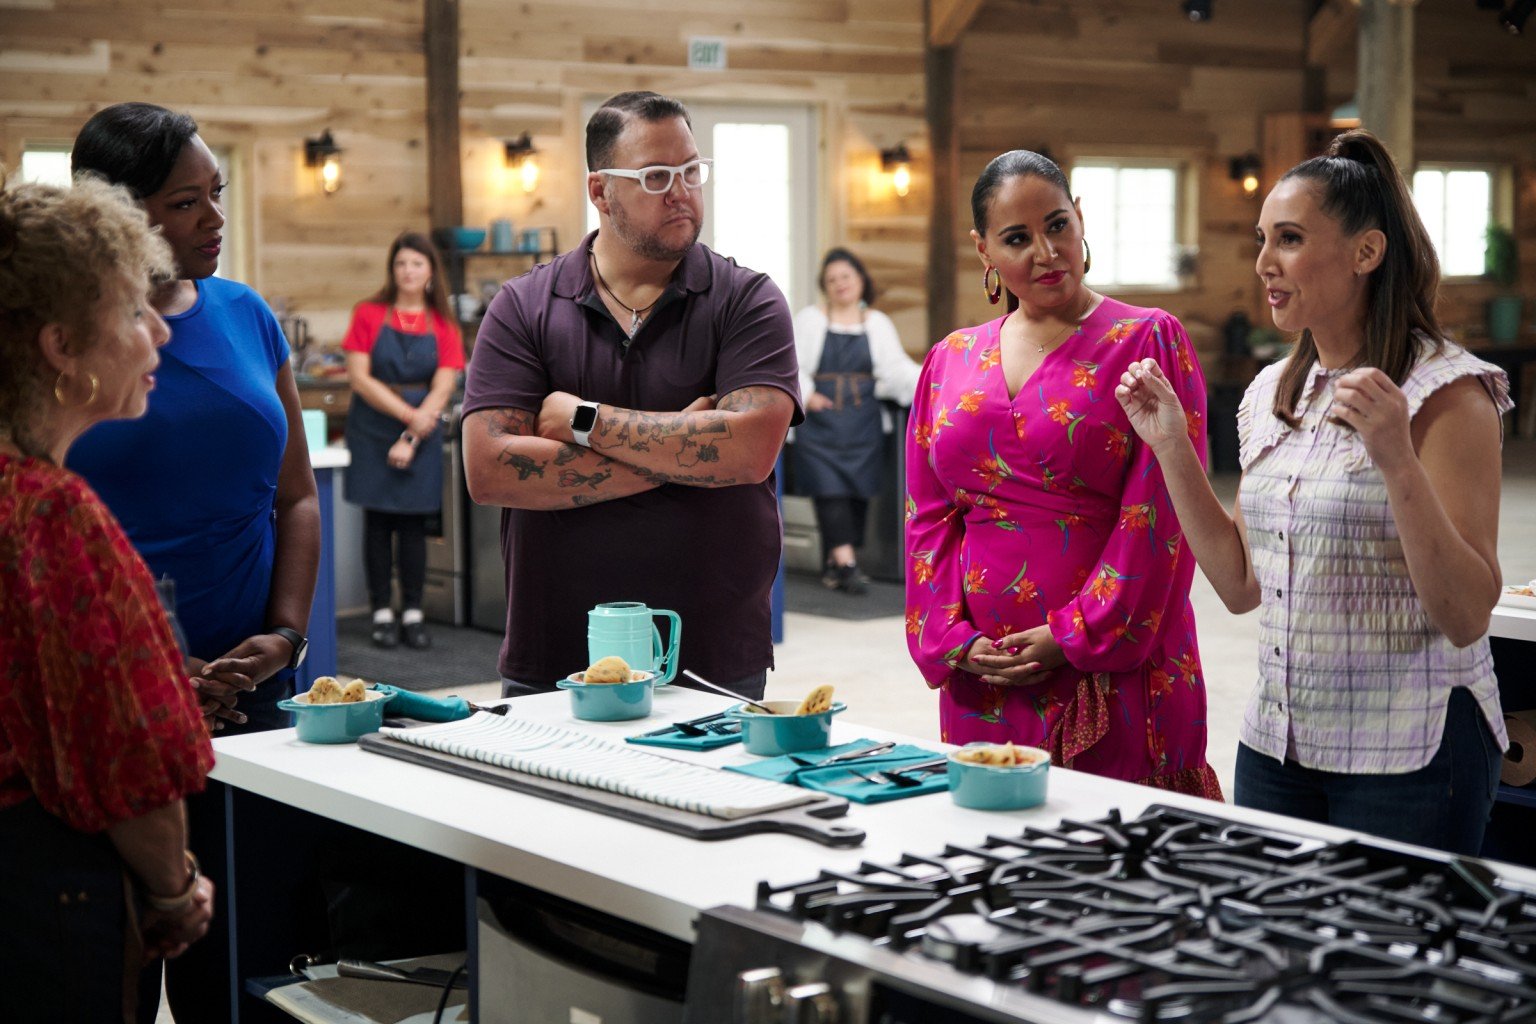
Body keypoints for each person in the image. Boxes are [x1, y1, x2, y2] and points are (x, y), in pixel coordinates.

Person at [1114, 129, 1510, 855]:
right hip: (1278, 747)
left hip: (1411, 752)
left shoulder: (1451, 394)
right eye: (1264, 240)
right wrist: (1171, 445)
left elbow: (1465, 613)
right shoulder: (1273, 390)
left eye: (1290, 239)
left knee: (1385, 969)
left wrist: (1397, 461)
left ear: (1366, 252)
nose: (1265, 263)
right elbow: (1238, 584)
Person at [66, 102, 320, 1023]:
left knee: (250, 952)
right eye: (185, 203)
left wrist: (283, 636)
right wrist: (149, 672)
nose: (214, 219)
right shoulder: (61, 347)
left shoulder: (246, 315)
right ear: (119, 216)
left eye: (216, 194)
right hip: (108, 692)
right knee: (117, 951)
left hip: (249, 686)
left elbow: (295, 494)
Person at [905, 149, 1222, 799]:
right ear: (984, 251)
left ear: (1080, 219)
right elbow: (927, 513)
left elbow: (1160, 516)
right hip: (985, 674)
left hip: (1113, 661)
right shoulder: (949, 359)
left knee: (1117, 856)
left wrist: (1074, 634)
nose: (1046, 251)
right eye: (1017, 238)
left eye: (1057, 225)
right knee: (993, 848)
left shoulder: (1147, 339)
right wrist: (953, 638)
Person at [463, 91, 800, 700]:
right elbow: (490, 470)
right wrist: (684, 451)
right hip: (555, 649)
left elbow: (748, 452)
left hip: (712, 650)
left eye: (691, 170)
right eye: (654, 176)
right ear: (600, 192)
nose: (682, 191)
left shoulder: (748, 300)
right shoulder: (523, 307)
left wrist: (584, 421)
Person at [0, 174, 216, 1023]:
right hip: (40, 892)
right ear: (60, 346)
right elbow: (129, 757)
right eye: (132, 311)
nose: (160, 327)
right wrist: (175, 890)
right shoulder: (50, 513)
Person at [342, 231, 465, 649]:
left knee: (414, 524)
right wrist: (409, 419)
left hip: (422, 429)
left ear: (430, 271)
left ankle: (412, 613)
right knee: (377, 523)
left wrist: (412, 434)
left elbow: (444, 386)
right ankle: (381, 612)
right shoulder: (368, 314)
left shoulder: (444, 325)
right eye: (400, 264)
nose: (407, 271)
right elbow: (359, 379)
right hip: (373, 428)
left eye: (416, 263)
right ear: (391, 270)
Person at [791, 247, 920, 595]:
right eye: (832, 279)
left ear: (861, 280)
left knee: (857, 495)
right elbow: (791, 365)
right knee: (829, 491)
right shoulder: (809, 320)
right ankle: (846, 563)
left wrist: (930, 380)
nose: (840, 284)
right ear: (825, 286)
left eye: (846, 276)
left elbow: (894, 370)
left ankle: (835, 564)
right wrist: (806, 395)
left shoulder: (877, 324)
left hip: (863, 423)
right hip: (820, 424)